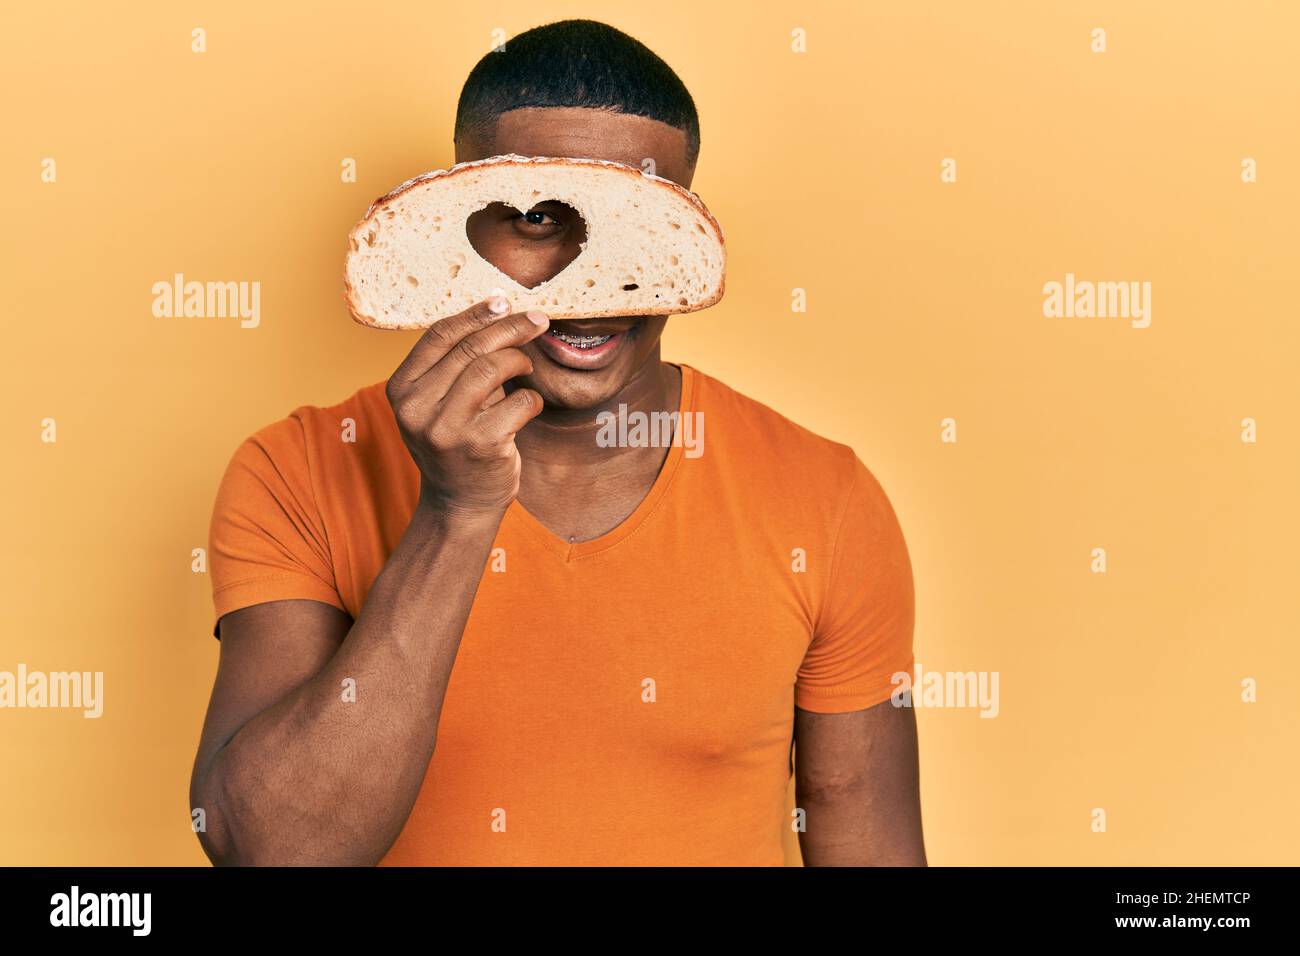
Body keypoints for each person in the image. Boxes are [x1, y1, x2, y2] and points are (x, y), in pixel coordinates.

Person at [190, 18, 925, 866]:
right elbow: (273, 851)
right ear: (459, 221)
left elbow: (867, 839)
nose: (589, 278)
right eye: (538, 217)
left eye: (638, 218)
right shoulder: (297, 470)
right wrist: (457, 511)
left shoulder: (824, 499)